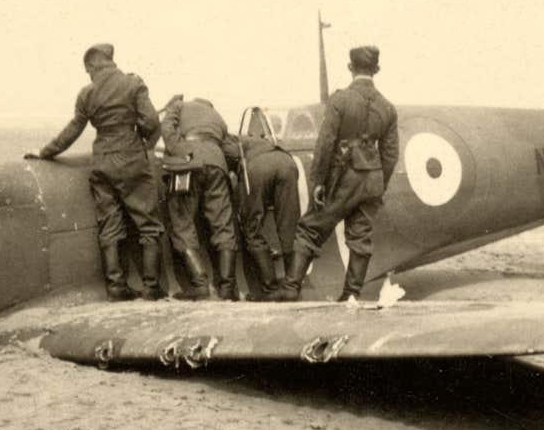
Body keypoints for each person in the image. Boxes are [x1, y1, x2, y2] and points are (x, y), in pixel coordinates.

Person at [26, 44, 165, 301]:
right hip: (131, 157)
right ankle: (151, 288)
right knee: (148, 224)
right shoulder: (133, 84)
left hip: (101, 161)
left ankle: (115, 288)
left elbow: (73, 129)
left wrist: (45, 152)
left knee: (109, 225)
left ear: (92, 66)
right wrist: (144, 142)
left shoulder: (86, 93)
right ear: (110, 61)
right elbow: (152, 121)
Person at [277, 45, 398, 302]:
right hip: (372, 178)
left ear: (350, 68)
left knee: (311, 228)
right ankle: (351, 294)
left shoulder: (340, 100)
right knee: (361, 236)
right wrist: (379, 185)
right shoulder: (387, 107)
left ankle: (290, 288)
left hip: (342, 177)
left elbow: (325, 143)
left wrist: (319, 181)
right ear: (376, 70)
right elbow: (390, 154)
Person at [160, 96, 238, 300]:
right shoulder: (217, 116)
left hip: (188, 162)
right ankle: (228, 288)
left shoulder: (179, 105)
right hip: (217, 163)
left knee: (182, 222)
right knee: (223, 224)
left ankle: (200, 285)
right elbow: (232, 150)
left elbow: (167, 129)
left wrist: (181, 152)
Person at [227, 133, 301, 300]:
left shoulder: (230, 139)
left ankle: (269, 290)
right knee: (289, 228)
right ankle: (292, 287)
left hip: (258, 167)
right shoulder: (263, 140)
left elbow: (231, 155)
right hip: (286, 162)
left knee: (251, 229)